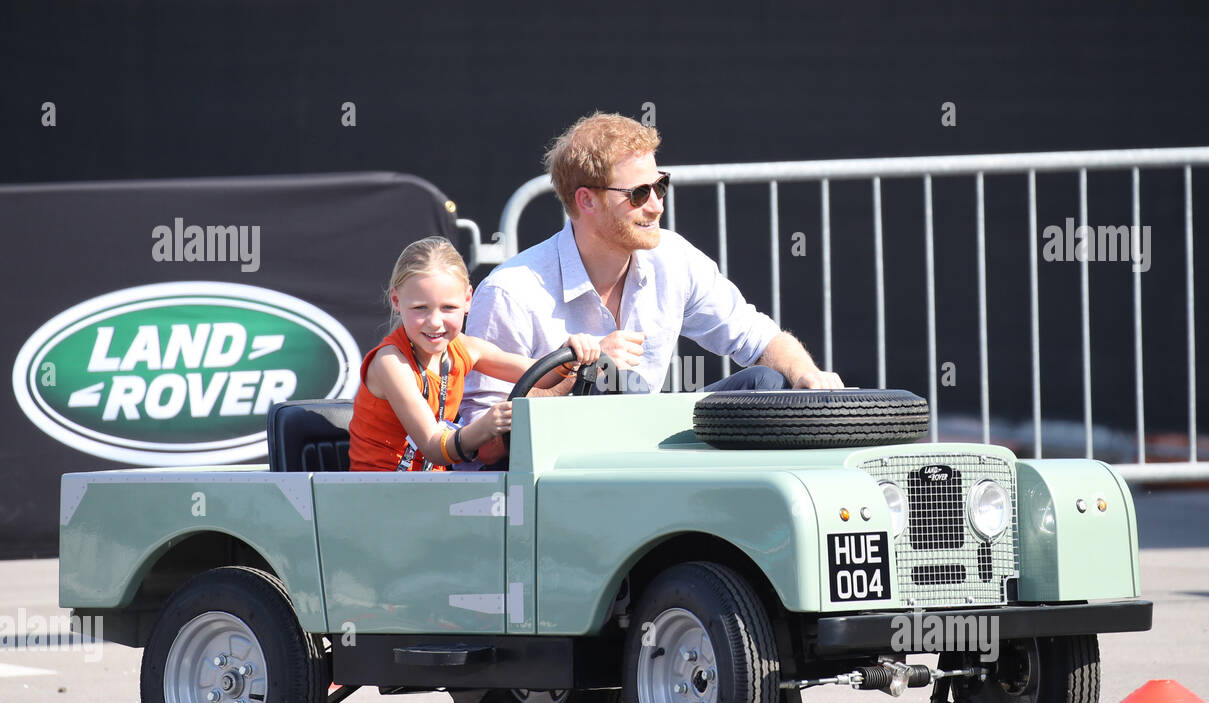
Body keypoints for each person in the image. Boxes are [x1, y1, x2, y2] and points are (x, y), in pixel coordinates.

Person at [460, 112, 843, 463]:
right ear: (586, 200)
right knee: (601, 393)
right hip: (565, 471)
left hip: (651, 454)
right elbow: (487, 447)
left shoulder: (673, 256)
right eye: (639, 194)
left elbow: (760, 339)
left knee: (769, 383)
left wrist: (808, 376)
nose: (657, 205)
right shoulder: (511, 290)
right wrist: (582, 373)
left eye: (661, 186)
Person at [348, 237, 599, 471]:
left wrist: (573, 353)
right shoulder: (391, 363)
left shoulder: (466, 348)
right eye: (420, 308)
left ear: (468, 299)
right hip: (376, 497)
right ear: (396, 300)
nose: (435, 322)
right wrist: (487, 426)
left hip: (428, 494)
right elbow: (435, 446)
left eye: (448, 308)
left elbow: (542, 375)